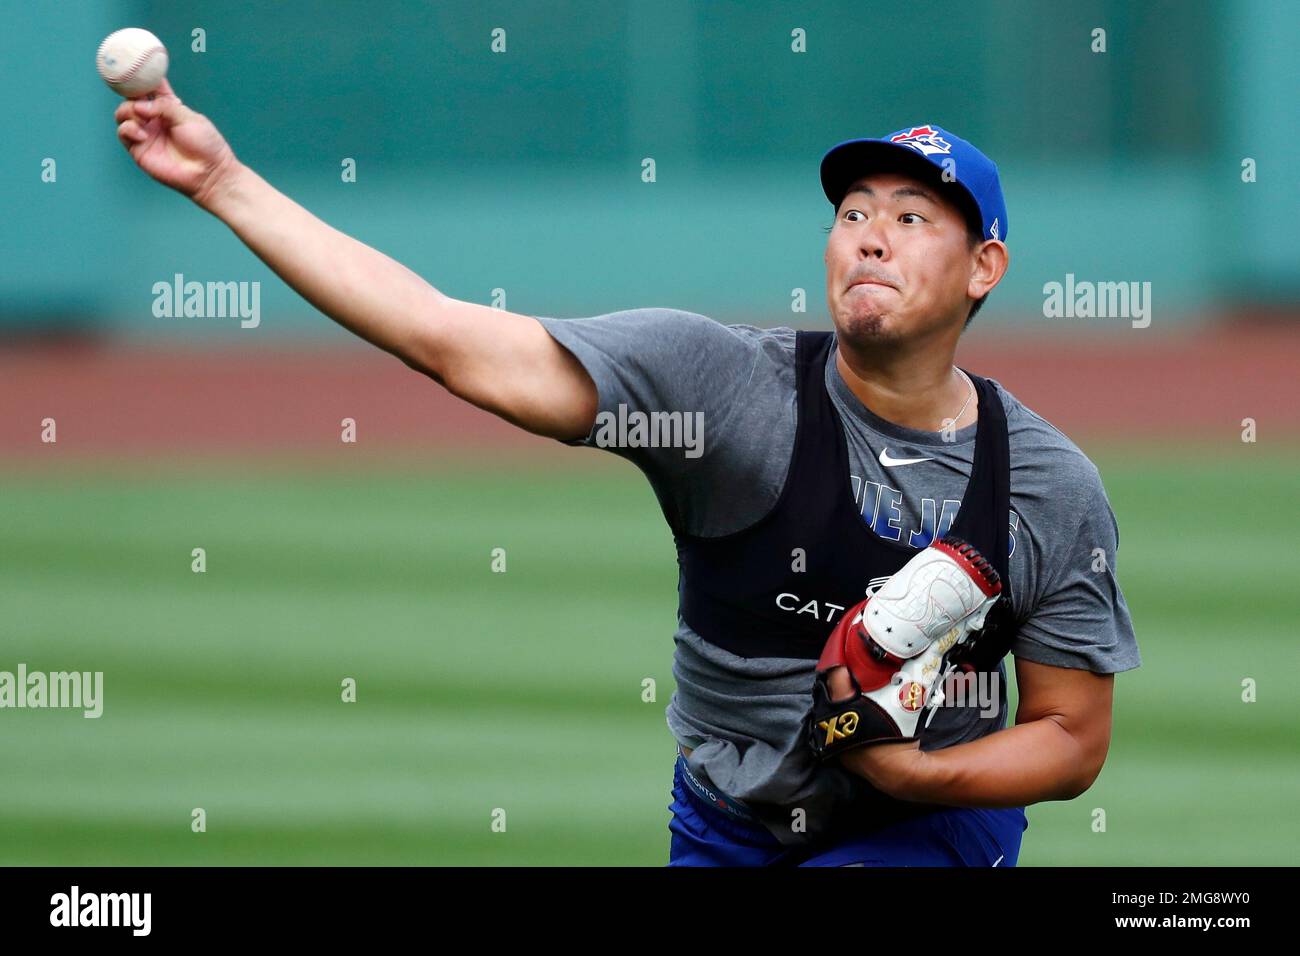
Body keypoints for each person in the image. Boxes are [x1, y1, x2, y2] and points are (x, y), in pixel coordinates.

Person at [113, 86, 1141, 866]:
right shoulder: (718, 389)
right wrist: (220, 182)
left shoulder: (1044, 484)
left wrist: (912, 769)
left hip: (929, 828)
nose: (870, 229)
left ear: (983, 268)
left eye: (914, 216)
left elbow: (1067, 737)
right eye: (854, 211)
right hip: (726, 820)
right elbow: (445, 337)